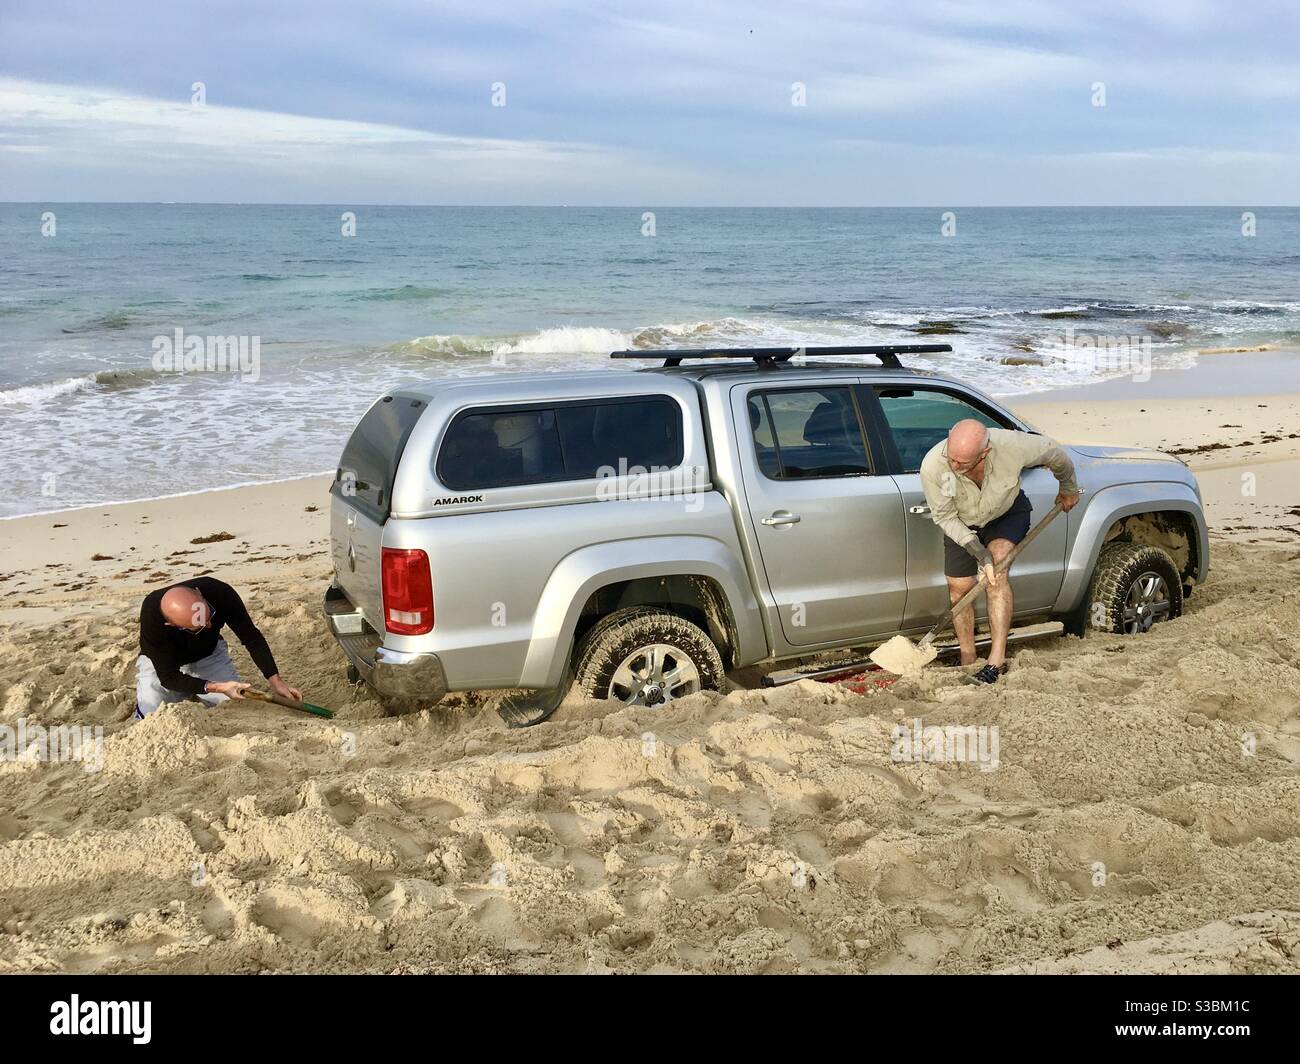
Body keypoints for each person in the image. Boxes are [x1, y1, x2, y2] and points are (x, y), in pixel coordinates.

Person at [919, 419, 1081, 684]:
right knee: (959, 587)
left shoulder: (1012, 445)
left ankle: (995, 661)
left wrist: (1068, 487)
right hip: (961, 523)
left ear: (984, 453)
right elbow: (946, 517)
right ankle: (968, 657)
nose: (954, 465)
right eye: (952, 458)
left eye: (962, 463)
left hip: (1006, 514)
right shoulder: (934, 465)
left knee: (996, 574)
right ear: (949, 437)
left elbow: (1055, 453)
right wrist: (977, 551)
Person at [135, 576, 301, 718]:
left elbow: (251, 637)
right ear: (170, 624)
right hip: (165, 662)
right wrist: (219, 687)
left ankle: (198, 691)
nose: (208, 626)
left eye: (210, 616)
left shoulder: (219, 591)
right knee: (151, 715)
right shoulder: (152, 615)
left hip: (208, 653)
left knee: (233, 707)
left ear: (199, 593)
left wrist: (275, 680)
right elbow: (169, 677)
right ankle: (188, 692)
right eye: (199, 627)